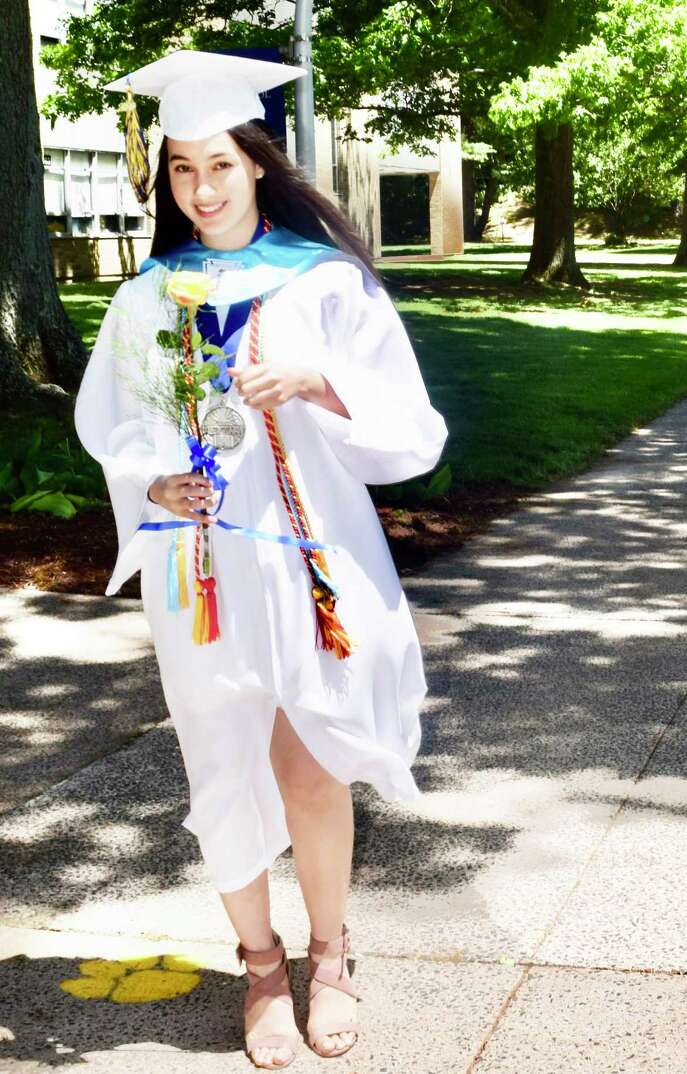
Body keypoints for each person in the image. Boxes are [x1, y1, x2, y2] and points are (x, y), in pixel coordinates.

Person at [75, 50, 448, 1068]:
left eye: (220, 167)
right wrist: (153, 484)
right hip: (201, 569)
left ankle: (330, 957)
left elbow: (413, 433)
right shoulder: (147, 299)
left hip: (311, 553)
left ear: (256, 166)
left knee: (314, 765)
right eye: (182, 171)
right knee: (221, 761)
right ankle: (261, 968)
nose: (201, 189)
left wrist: (319, 382)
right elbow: (115, 429)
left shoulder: (325, 282)